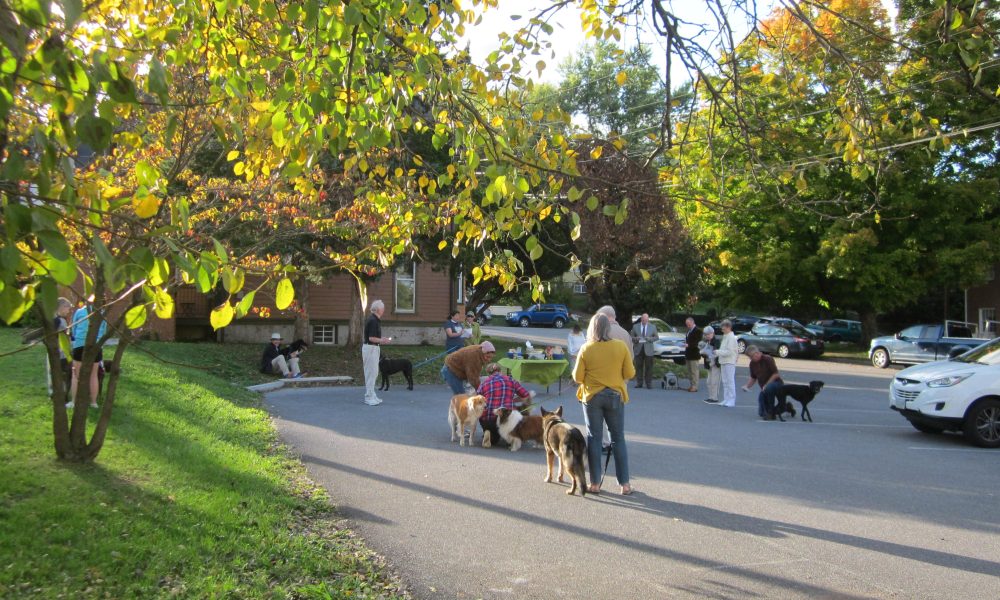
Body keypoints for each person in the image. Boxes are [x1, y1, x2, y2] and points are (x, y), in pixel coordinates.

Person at [573, 313, 636, 496]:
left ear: (592, 328)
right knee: (618, 438)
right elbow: (630, 373)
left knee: (594, 438)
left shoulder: (586, 348)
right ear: (608, 328)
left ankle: (594, 484)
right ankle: (624, 484)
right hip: (615, 395)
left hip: (592, 397)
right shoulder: (620, 346)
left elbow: (577, 377)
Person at [477, 362, 533, 448]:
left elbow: (478, 400)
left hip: (488, 420)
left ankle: (488, 432)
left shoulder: (484, 383)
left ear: (488, 373)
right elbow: (526, 395)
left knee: (494, 439)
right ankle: (510, 439)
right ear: (500, 370)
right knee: (514, 417)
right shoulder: (511, 380)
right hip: (506, 419)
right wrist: (512, 399)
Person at [67, 300, 107, 409]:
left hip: (80, 344)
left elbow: (74, 329)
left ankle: (73, 402)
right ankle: (93, 403)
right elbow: (104, 331)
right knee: (93, 375)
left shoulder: (79, 312)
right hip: (96, 346)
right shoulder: (103, 314)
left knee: (76, 375)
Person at [742, 345, 784, 419]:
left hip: (776, 384)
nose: (751, 359)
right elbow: (753, 378)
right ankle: (784, 408)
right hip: (764, 387)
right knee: (761, 411)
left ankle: (771, 413)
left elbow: (776, 374)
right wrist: (747, 386)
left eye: (752, 356)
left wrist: (767, 384)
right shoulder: (752, 364)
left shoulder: (768, 359)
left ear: (757, 353)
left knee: (769, 389)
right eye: (749, 357)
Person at [363, 300, 391, 406]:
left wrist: (381, 339)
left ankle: (372, 394)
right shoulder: (373, 320)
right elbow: (371, 338)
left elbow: (374, 337)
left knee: (374, 373)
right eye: (383, 308)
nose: (384, 310)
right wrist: (383, 340)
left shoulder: (374, 320)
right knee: (371, 373)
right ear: (379, 309)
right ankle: (369, 397)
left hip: (373, 348)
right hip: (370, 348)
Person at [47, 297, 74, 397]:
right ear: (62, 307)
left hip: (54, 353)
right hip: (62, 354)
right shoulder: (61, 321)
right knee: (65, 375)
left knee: (54, 373)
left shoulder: (53, 319)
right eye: (68, 308)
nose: (69, 311)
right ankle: (63, 394)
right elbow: (67, 337)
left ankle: (54, 393)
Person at [630, 313, 658, 388]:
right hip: (638, 349)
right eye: (643, 320)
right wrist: (636, 339)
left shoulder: (653, 327)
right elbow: (631, 337)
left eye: (646, 320)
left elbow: (656, 337)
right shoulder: (635, 326)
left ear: (648, 319)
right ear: (641, 319)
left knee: (649, 367)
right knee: (638, 367)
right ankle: (639, 383)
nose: (644, 321)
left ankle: (648, 383)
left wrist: (650, 339)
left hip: (648, 350)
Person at [716, 320, 739, 407]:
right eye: (722, 329)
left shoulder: (731, 338)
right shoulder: (725, 336)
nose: (722, 330)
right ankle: (726, 399)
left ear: (729, 327)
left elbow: (729, 352)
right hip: (723, 361)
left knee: (730, 381)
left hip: (729, 361)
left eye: (724, 329)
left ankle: (732, 400)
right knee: (725, 381)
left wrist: (717, 352)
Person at [700, 325, 722, 404]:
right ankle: (710, 396)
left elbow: (716, 352)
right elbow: (703, 353)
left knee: (714, 381)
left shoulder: (716, 341)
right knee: (709, 381)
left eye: (709, 334)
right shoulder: (706, 342)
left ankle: (714, 397)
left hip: (715, 364)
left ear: (713, 333)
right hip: (709, 363)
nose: (707, 336)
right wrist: (703, 352)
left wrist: (708, 352)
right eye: (706, 334)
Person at [683, 316, 702, 392]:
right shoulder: (689, 331)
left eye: (688, 324)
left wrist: (689, 345)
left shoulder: (698, 331)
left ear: (692, 322)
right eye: (686, 324)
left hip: (694, 354)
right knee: (689, 371)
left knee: (694, 371)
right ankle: (691, 385)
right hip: (688, 354)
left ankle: (695, 386)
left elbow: (697, 342)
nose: (687, 325)